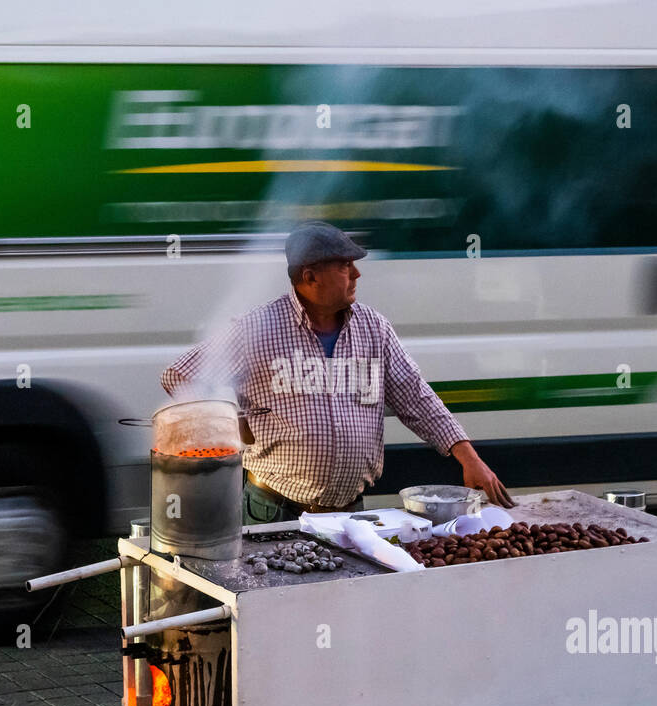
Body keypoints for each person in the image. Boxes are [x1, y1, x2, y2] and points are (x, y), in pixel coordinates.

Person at [161, 220, 514, 526]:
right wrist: (232, 417)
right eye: (345, 266)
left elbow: (416, 397)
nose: (357, 274)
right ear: (310, 276)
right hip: (274, 511)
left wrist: (471, 460)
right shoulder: (257, 329)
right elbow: (181, 376)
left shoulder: (374, 328)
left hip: (349, 515)